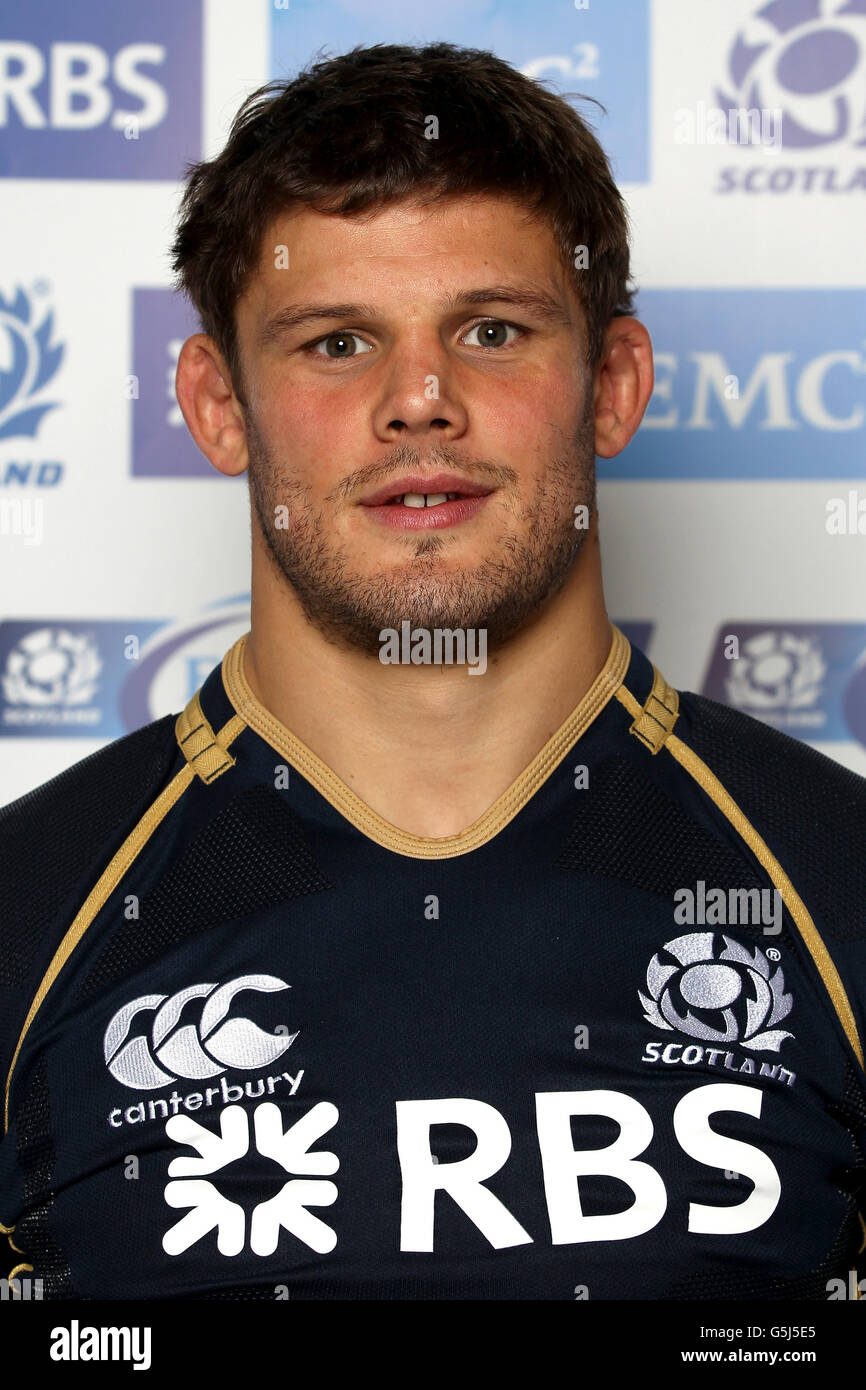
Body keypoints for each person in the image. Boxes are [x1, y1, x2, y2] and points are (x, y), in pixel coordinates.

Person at [1, 42, 864, 1303]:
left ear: (612, 385)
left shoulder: (834, 887)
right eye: (337, 341)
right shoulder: (30, 915)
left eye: (492, 330)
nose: (420, 401)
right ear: (216, 405)